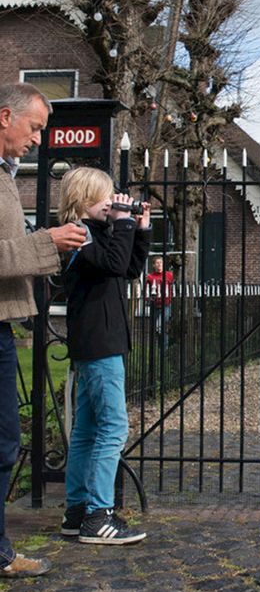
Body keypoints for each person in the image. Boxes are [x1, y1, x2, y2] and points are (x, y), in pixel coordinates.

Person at [0, 82, 87, 576]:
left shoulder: (7, 175)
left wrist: (52, 249)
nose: (37, 139)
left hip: (4, 323)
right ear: (5, 117)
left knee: (5, 442)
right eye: (34, 128)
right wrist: (45, 242)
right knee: (4, 441)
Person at [58, 166, 151, 544]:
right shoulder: (78, 237)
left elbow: (126, 268)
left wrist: (139, 230)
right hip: (99, 346)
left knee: (87, 430)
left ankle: (77, 511)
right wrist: (124, 221)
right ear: (83, 200)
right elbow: (113, 262)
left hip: (100, 343)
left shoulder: (94, 235)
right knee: (113, 428)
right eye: (106, 197)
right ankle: (99, 514)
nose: (113, 203)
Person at [146, 256, 173, 333]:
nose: (159, 264)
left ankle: (165, 344)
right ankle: (158, 343)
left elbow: (171, 287)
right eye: (157, 263)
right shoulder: (150, 277)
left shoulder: (169, 275)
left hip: (166, 304)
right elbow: (147, 290)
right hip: (155, 304)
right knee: (155, 326)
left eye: (161, 262)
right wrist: (148, 299)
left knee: (163, 325)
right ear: (154, 265)